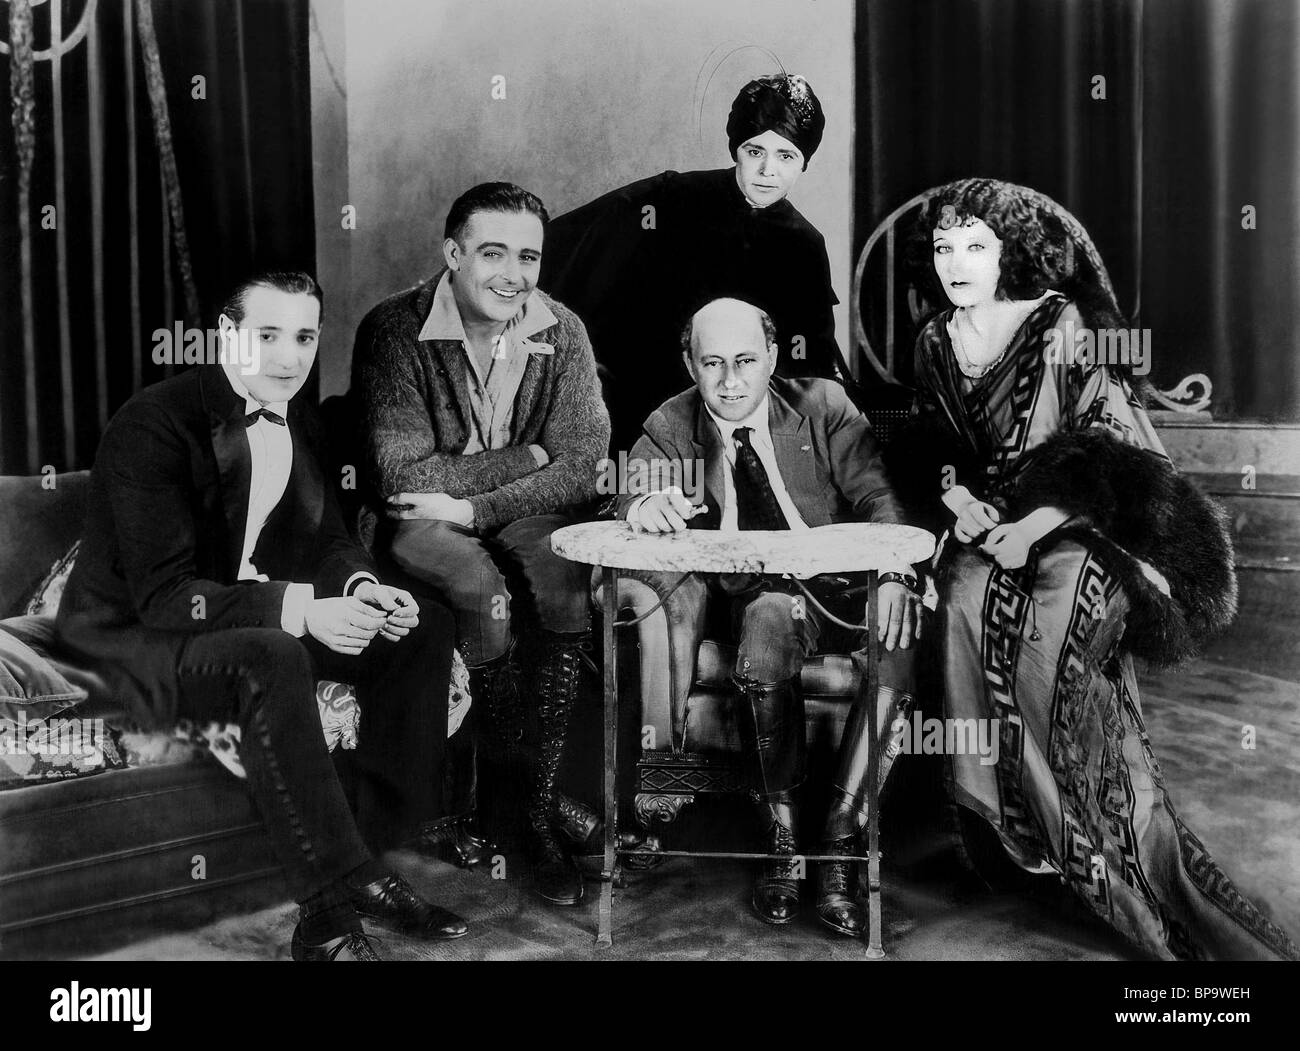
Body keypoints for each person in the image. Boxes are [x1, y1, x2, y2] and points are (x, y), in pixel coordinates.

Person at [895, 177, 1300, 960]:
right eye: (944, 248)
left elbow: (1115, 451)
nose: (956, 262)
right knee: (963, 599)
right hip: (995, 525)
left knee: (1053, 634)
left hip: (1092, 524)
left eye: (975, 246)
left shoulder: (1064, 326)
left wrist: (1040, 521)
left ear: (1008, 252)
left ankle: (1119, 857)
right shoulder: (933, 342)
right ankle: (1019, 841)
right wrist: (959, 501)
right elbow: (934, 447)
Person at [56, 270, 469, 962]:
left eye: (304, 336)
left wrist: (363, 587)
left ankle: (365, 854)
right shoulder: (151, 424)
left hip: (245, 613)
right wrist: (302, 608)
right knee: (277, 653)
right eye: (266, 334)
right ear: (225, 335)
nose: (288, 355)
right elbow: (166, 598)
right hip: (139, 637)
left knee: (420, 625)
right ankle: (326, 911)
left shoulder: (299, 414)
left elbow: (331, 539)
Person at [617, 297, 925, 935]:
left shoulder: (822, 405)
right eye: (712, 364)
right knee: (764, 621)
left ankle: (839, 842)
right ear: (689, 363)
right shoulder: (672, 421)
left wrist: (895, 571)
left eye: (745, 362)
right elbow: (628, 482)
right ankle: (782, 840)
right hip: (753, 598)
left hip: (836, 586)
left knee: (898, 632)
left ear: (773, 359)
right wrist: (643, 499)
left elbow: (879, 495)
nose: (730, 382)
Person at [352, 182, 610, 908]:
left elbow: (585, 464)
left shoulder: (563, 331)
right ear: (453, 253)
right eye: (492, 252)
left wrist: (475, 499)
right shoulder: (394, 328)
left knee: (564, 578)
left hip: (484, 508)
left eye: (528, 256)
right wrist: (529, 458)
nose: (512, 273)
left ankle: (525, 803)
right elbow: (402, 473)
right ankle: (531, 808)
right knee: (479, 590)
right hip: (416, 517)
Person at [542, 73, 844, 452]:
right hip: (643, 394)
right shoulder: (673, 197)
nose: (768, 171)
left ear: (804, 163)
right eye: (754, 152)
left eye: (786, 156)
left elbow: (808, 356)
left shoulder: (805, 243)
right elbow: (575, 242)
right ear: (736, 149)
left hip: (740, 410)